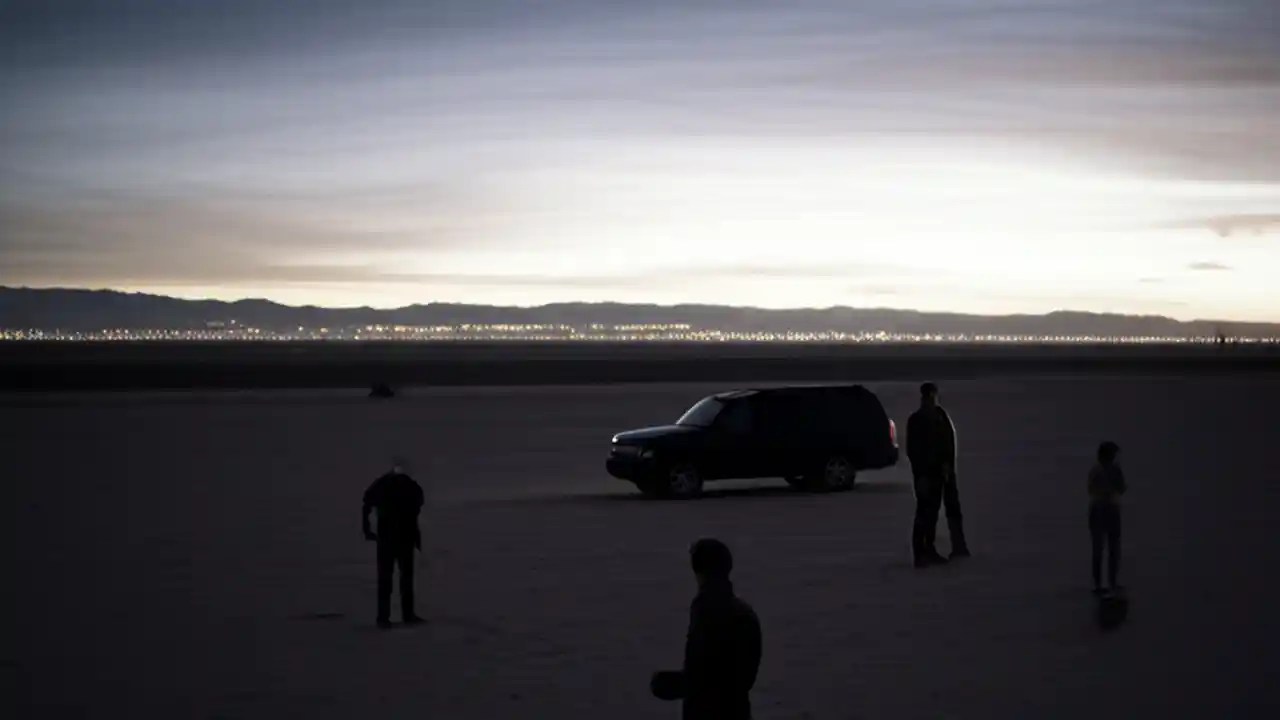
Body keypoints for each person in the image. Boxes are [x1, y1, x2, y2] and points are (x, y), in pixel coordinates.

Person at [654, 538, 763, 720]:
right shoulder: (745, 612)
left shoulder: (706, 610)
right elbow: (741, 677)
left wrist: (670, 685)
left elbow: (704, 675)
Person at [906, 382, 970, 567]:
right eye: (928, 396)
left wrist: (948, 467)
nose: (930, 399)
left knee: (945, 510)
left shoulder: (940, 416)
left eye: (932, 395)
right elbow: (914, 451)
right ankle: (921, 552)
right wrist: (921, 475)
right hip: (927, 475)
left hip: (944, 472)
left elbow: (949, 442)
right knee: (925, 512)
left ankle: (939, 548)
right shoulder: (917, 420)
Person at [362, 459, 425, 628]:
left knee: (399, 579)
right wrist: (366, 528)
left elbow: (415, 513)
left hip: (398, 538)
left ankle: (399, 615)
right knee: (392, 579)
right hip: (394, 538)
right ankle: (390, 616)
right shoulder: (394, 485)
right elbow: (367, 503)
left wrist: (367, 528)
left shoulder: (400, 485)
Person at [1088, 441, 1126, 594]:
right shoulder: (1112, 470)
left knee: (1102, 548)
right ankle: (1110, 582)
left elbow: (1090, 489)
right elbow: (1121, 488)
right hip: (1107, 509)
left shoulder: (1096, 471)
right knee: (1109, 548)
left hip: (1100, 509)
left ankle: (1102, 583)